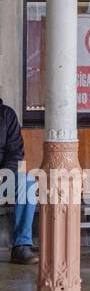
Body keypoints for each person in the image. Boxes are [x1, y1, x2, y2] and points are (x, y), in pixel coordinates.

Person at [1, 97, 36, 265]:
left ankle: (21, 246)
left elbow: (15, 151)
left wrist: (4, 173)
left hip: (3, 177)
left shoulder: (7, 114)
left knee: (27, 182)